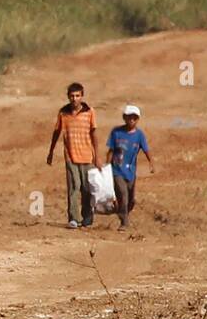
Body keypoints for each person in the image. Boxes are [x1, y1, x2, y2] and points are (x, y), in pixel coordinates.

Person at [47, 82, 100, 229]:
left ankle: (87, 217)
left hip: (87, 156)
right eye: (72, 96)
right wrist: (51, 152)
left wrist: (97, 156)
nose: (74, 99)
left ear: (82, 96)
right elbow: (56, 132)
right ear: (68, 97)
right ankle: (74, 218)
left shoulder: (89, 112)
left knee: (87, 189)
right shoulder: (63, 113)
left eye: (77, 96)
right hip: (70, 156)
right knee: (73, 187)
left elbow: (94, 134)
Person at [107, 105, 154, 232]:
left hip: (131, 172)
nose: (131, 120)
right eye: (129, 117)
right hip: (117, 169)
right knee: (123, 194)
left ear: (137, 119)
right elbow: (111, 150)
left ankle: (123, 212)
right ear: (124, 118)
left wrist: (151, 163)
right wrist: (106, 167)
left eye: (134, 118)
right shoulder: (116, 132)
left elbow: (146, 149)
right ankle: (124, 222)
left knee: (131, 199)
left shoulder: (139, 135)